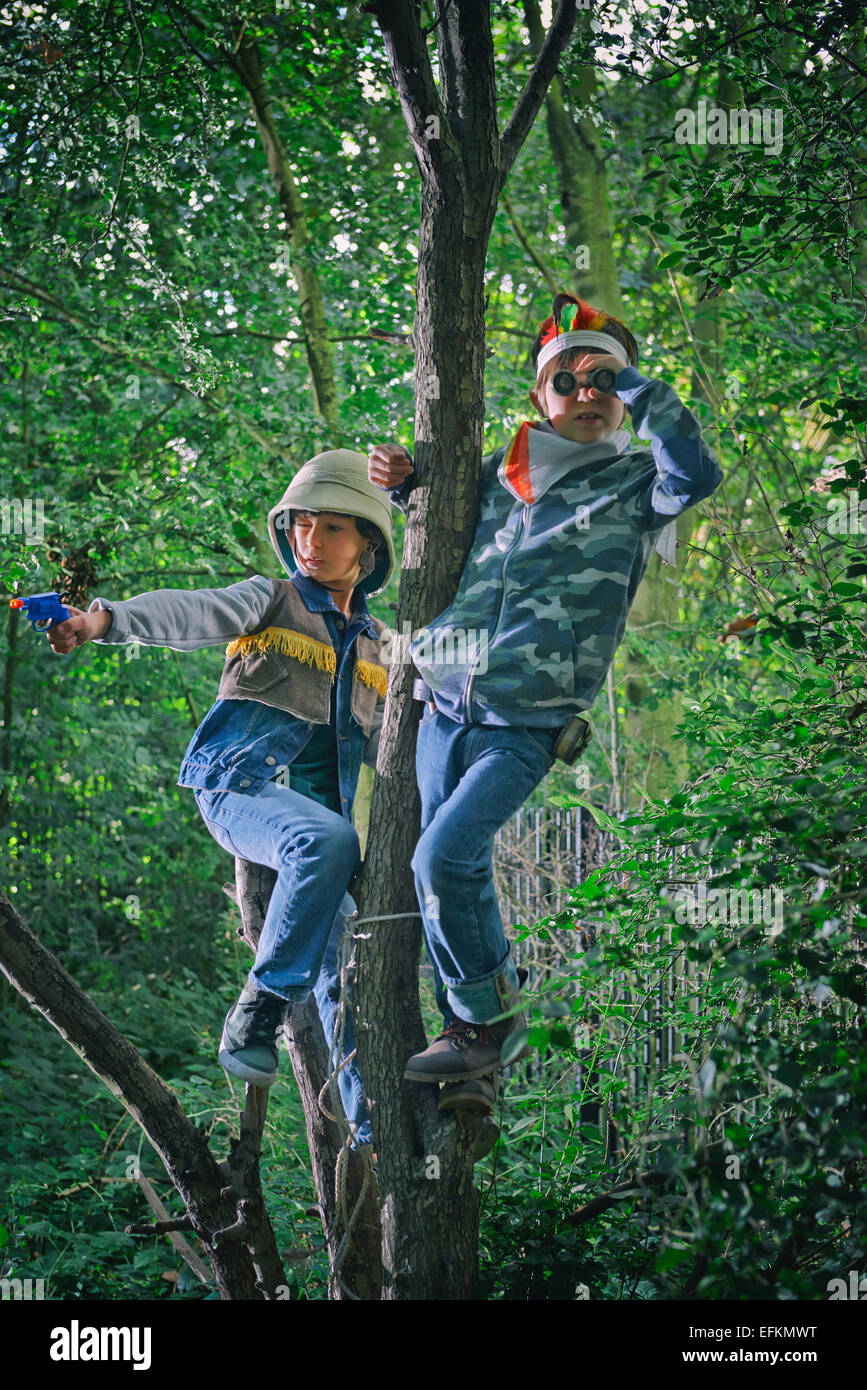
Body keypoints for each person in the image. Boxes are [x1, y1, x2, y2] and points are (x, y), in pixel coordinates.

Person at [368, 293, 724, 1111]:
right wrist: (403, 479)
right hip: (439, 704)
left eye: (604, 381)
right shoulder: (501, 471)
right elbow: (438, 527)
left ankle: (489, 1023)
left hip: (526, 720)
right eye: (567, 381)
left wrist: (633, 384)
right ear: (539, 395)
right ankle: (471, 1054)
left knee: (441, 858)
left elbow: (695, 473)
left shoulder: (637, 482)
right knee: (440, 876)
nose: (587, 393)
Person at [47, 450, 394, 1149]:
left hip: (318, 828)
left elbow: (411, 734)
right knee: (327, 841)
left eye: (332, 527)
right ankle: (258, 1008)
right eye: (301, 524)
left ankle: (372, 1135)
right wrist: (102, 621)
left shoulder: (380, 647)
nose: (310, 540)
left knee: (346, 974)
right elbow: (193, 611)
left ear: (368, 545)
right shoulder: (269, 599)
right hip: (238, 787)